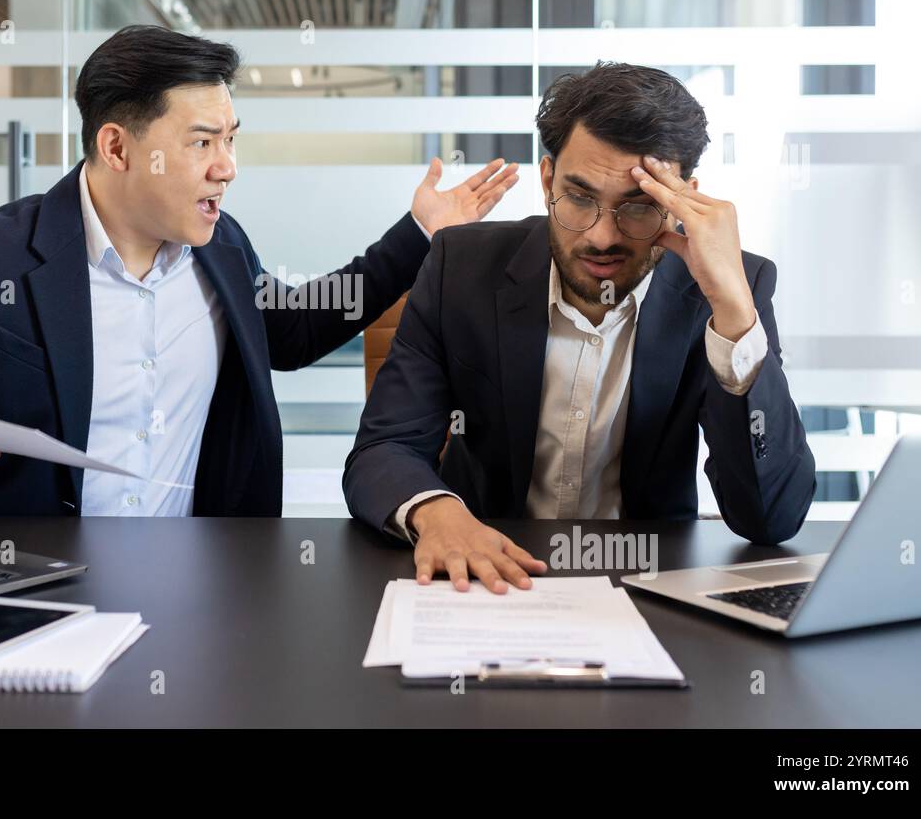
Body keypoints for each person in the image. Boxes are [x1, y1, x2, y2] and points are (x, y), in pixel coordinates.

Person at [0, 24, 519, 516]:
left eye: (231, 139)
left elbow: (292, 330)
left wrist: (423, 230)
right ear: (119, 148)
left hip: (202, 592)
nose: (228, 165)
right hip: (28, 595)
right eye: (202, 142)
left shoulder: (220, 249)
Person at [344, 62, 816, 592]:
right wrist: (439, 514)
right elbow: (384, 450)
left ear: (682, 198)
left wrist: (732, 312)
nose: (601, 236)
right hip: (484, 573)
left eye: (638, 207)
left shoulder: (730, 286)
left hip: (649, 584)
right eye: (579, 197)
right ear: (547, 181)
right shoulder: (461, 267)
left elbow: (772, 519)